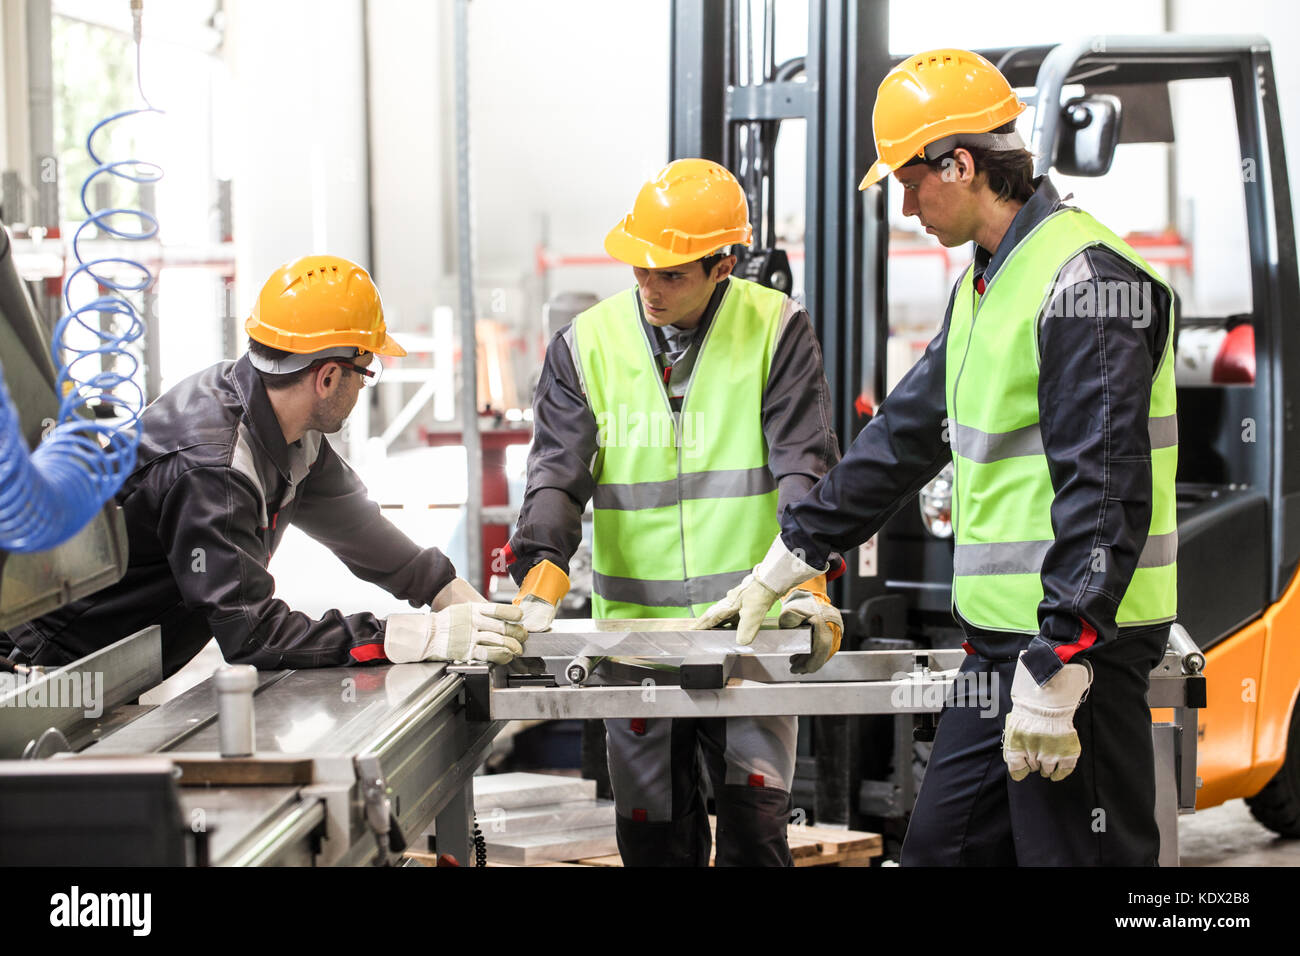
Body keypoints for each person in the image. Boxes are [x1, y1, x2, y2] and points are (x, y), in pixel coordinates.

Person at [697, 49, 1177, 866]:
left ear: (960, 164)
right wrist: (788, 560)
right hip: (999, 648)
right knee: (938, 852)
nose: (907, 203)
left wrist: (1060, 660)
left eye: (912, 181)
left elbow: (1105, 495)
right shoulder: (990, 283)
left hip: (1074, 656)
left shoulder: (1085, 280)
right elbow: (903, 437)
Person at [504, 158, 843, 865]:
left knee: (756, 830)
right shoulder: (584, 346)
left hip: (755, 629)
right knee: (653, 839)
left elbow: (803, 466)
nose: (649, 288)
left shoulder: (777, 331)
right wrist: (539, 570)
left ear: (724, 265)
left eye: (671, 274)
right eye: (640, 269)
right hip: (637, 645)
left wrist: (805, 584)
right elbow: (557, 477)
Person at [0, 255, 525, 678]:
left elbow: (360, 528)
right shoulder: (215, 469)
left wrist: (451, 596)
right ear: (326, 377)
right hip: (49, 664)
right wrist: (411, 637)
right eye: (365, 371)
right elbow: (252, 634)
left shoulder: (279, 424)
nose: (365, 385)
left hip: (111, 663)